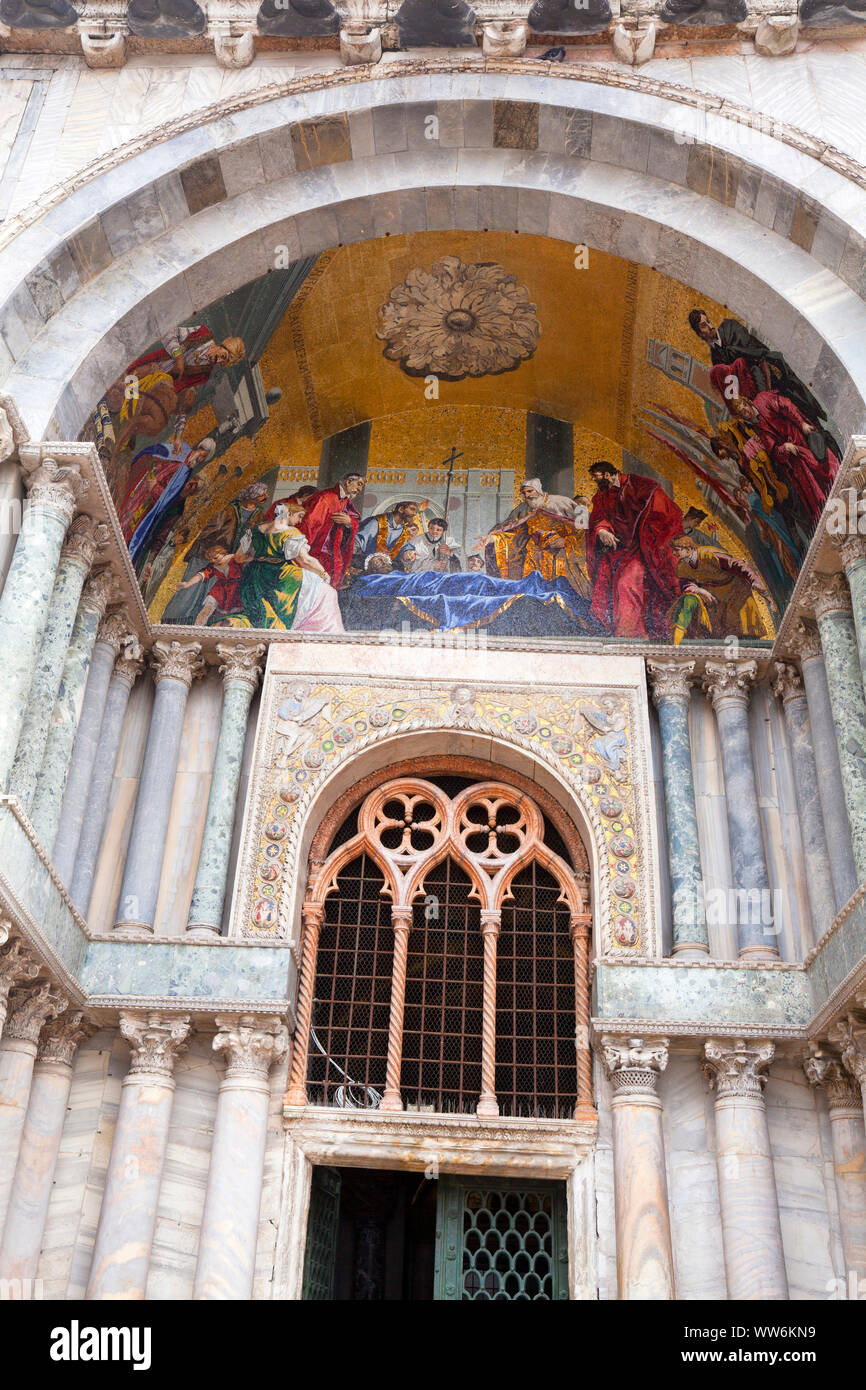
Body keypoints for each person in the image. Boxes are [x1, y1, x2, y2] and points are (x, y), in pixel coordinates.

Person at [687, 307, 838, 456]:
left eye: (708, 321)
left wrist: (736, 357)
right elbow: (733, 388)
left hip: (770, 376)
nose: (710, 326)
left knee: (798, 406)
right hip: (757, 400)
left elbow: (753, 351)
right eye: (704, 325)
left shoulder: (729, 327)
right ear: (700, 334)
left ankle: (823, 440)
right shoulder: (716, 359)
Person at [586, 460, 683, 638]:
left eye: (597, 478)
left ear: (608, 474)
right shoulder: (603, 494)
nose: (595, 482)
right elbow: (599, 516)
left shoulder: (640, 486)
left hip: (646, 547)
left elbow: (665, 514)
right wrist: (602, 530)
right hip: (621, 549)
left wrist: (646, 535)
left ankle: (630, 634)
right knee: (605, 576)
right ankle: (617, 632)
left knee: (626, 583)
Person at [234, 500, 344, 632]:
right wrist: (323, 573)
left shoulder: (254, 530)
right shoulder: (290, 532)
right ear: (289, 513)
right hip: (281, 576)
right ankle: (319, 631)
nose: (300, 521)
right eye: (299, 516)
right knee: (327, 591)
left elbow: (239, 557)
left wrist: (258, 558)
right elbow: (305, 560)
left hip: (254, 577)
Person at [479, 477, 590, 599]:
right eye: (524, 492)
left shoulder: (561, 502)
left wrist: (567, 541)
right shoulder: (523, 509)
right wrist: (493, 538)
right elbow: (515, 534)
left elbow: (585, 529)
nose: (527, 495)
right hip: (533, 558)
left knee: (562, 593)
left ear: (538, 490)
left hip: (560, 555)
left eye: (530, 491)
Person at [122, 435, 216, 568]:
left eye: (203, 458)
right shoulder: (181, 450)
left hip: (146, 512)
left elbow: (163, 518)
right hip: (141, 494)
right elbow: (158, 454)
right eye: (201, 454)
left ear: (194, 493)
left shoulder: (179, 500)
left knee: (127, 538)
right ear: (199, 448)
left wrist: (150, 561)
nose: (199, 459)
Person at [667, 534, 766, 643]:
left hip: (735, 591)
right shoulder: (682, 565)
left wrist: (754, 580)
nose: (674, 553)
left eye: (677, 550)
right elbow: (685, 582)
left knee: (743, 625)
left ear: (689, 548)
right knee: (721, 630)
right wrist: (698, 590)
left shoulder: (709, 554)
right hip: (714, 594)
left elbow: (736, 564)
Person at [297, 473, 364, 586]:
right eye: (359, 484)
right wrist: (303, 552)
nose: (360, 489)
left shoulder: (345, 501)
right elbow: (309, 525)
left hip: (333, 551)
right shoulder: (325, 498)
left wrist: (349, 522)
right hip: (317, 550)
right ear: (348, 482)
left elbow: (355, 519)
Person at [173, 542, 249, 626]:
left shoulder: (235, 558)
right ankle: (196, 628)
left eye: (215, 558)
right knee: (207, 607)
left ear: (223, 553)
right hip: (219, 589)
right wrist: (187, 584)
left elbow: (244, 553)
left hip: (236, 588)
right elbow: (201, 575)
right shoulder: (213, 566)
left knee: (234, 613)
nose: (213, 561)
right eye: (211, 559)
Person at [355, 499, 429, 566]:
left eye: (415, 511)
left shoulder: (402, 529)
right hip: (367, 565)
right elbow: (357, 543)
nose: (414, 514)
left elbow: (403, 546)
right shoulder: (376, 522)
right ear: (401, 509)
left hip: (386, 566)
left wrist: (407, 552)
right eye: (412, 509)